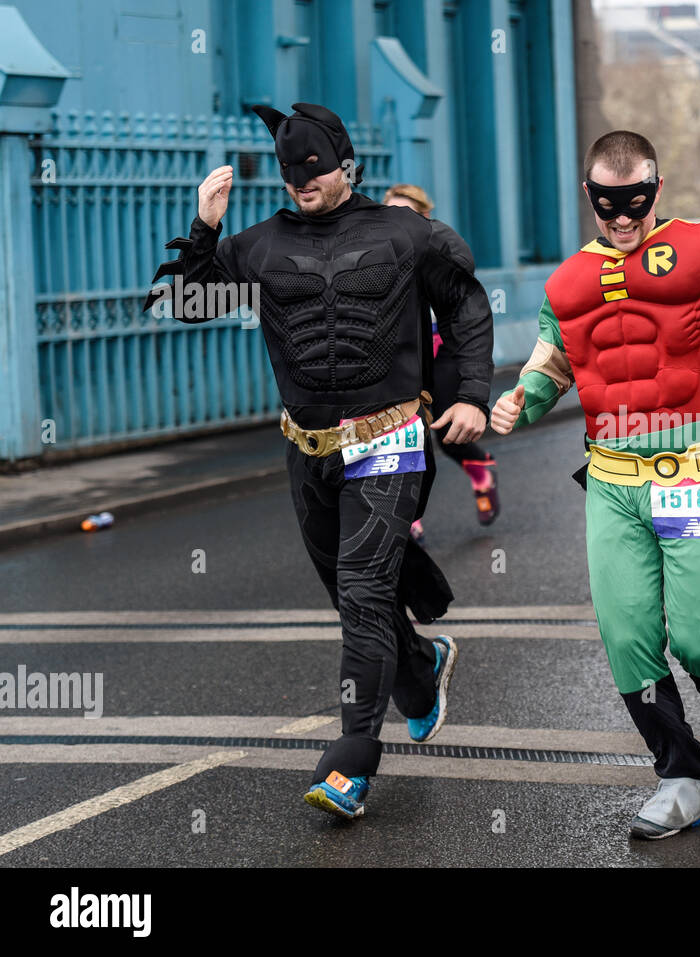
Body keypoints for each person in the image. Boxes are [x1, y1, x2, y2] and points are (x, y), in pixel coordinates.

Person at [143, 103, 492, 818]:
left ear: (346, 165)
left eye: (315, 171)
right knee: (349, 592)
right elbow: (178, 301)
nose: (302, 183)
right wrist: (206, 227)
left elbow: (466, 305)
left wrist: (474, 395)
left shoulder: (406, 233)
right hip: (309, 451)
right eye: (289, 173)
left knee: (364, 592)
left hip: (390, 440)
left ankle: (350, 765)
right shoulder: (259, 244)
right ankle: (421, 668)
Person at [491, 131, 700, 838]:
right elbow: (552, 364)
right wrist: (522, 399)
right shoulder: (566, 281)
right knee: (628, 637)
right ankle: (682, 774)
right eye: (609, 204)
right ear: (590, 197)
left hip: (694, 469)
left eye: (635, 199)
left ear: (657, 190)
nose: (624, 216)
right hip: (611, 478)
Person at [383, 184, 501, 531]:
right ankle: (411, 518)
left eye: (406, 215)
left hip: (443, 352)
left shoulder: (440, 249)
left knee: (448, 433)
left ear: (425, 218)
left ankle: (481, 470)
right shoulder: (381, 257)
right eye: (390, 214)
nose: (398, 224)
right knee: (409, 435)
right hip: (406, 359)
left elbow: (466, 307)